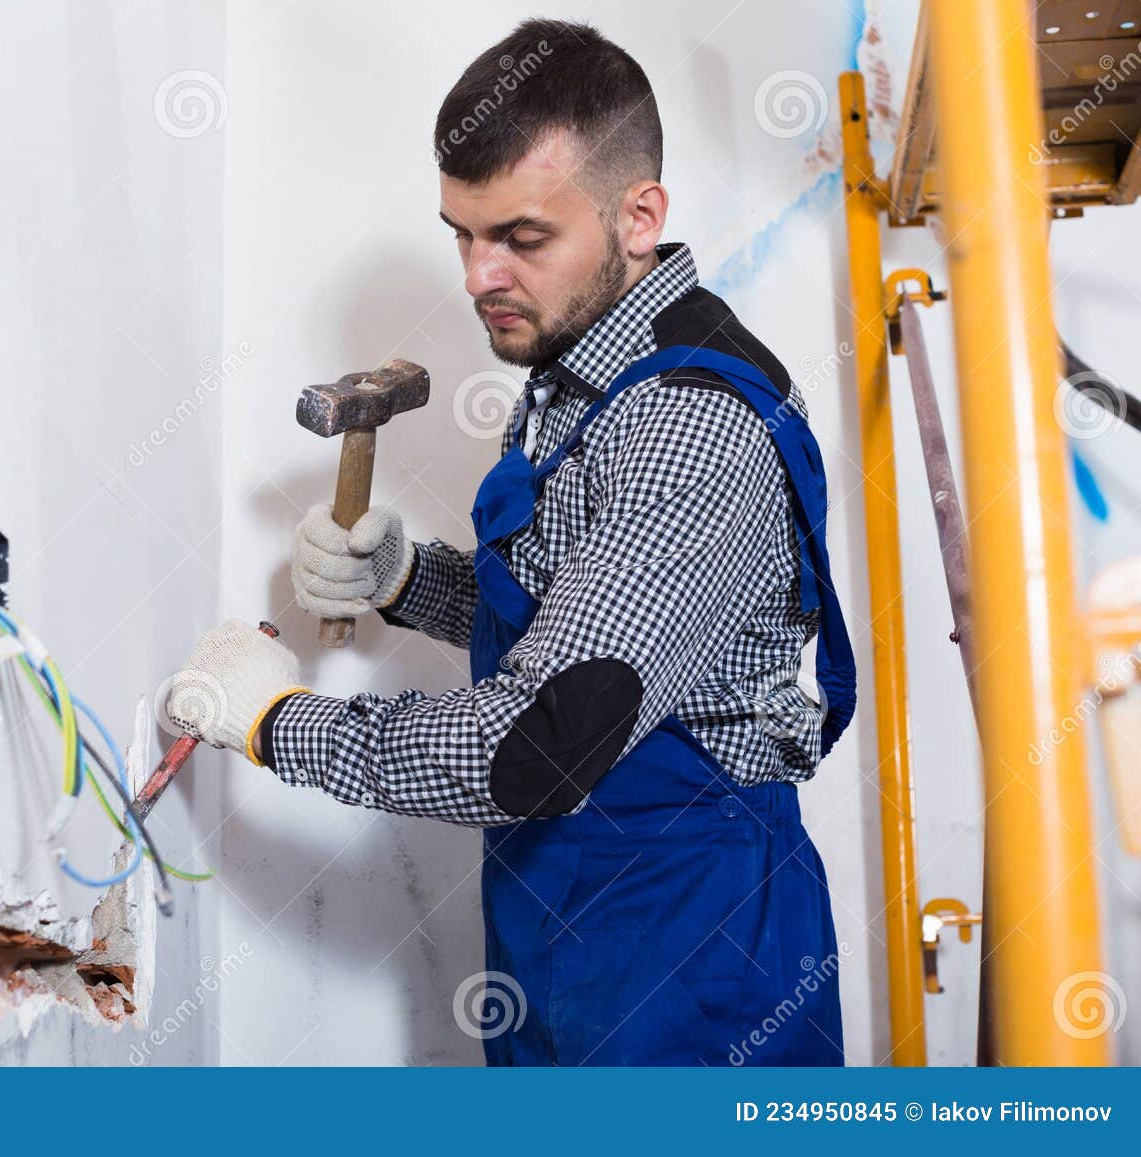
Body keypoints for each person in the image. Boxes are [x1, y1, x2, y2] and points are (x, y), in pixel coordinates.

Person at [163, 17, 854, 1067]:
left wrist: (275, 720)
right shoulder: (576, 374)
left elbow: (530, 742)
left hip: (693, 960)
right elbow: (575, 616)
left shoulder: (691, 425)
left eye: (522, 238)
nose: (481, 274)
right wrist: (409, 578)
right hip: (565, 922)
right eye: (461, 233)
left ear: (638, 215)